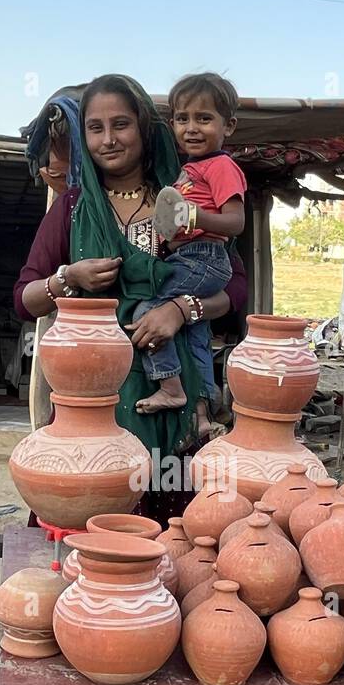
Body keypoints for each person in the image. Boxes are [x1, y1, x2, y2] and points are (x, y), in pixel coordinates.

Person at [13, 74, 248, 523]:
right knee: (89, 535)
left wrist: (181, 310)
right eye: (95, 128)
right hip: (93, 402)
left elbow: (234, 288)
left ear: (143, 127)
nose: (108, 139)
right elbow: (24, 299)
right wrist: (69, 277)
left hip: (170, 396)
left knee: (166, 542)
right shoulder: (74, 207)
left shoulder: (182, 196)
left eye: (120, 124)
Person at [133, 73, 246, 431]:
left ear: (228, 126)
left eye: (204, 118)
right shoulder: (188, 170)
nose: (192, 128)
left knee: (147, 308)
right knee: (196, 332)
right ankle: (202, 412)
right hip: (189, 256)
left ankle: (168, 385)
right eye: (182, 119)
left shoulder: (221, 166)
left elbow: (236, 222)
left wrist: (193, 216)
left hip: (204, 258)